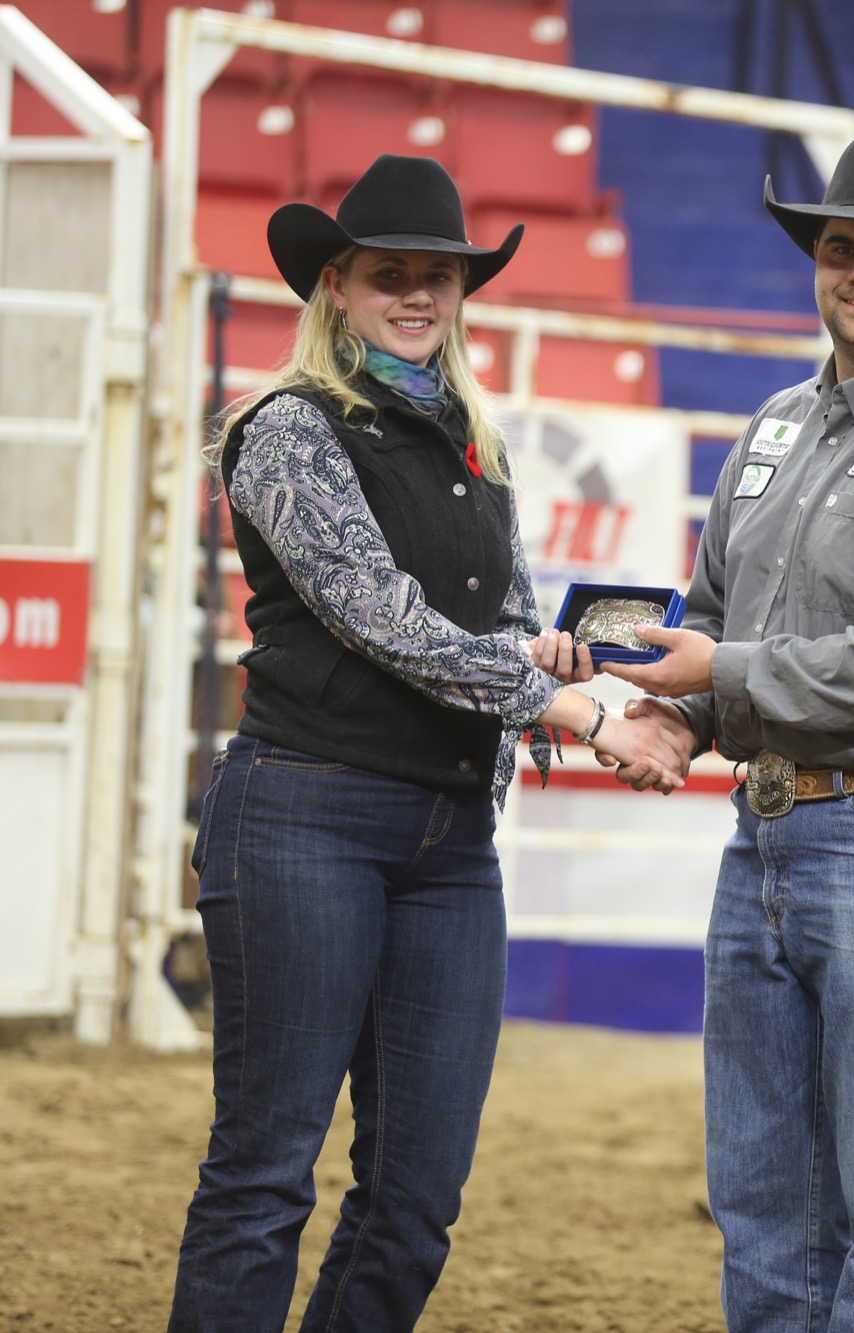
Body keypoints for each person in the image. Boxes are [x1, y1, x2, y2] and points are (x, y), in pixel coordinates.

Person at [532, 129, 854, 1333]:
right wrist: (675, 716)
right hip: (781, 829)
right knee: (763, 1203)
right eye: (840, 248)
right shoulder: (776, 424)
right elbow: (716, 610)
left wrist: (718, 675)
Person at [168, 154, 687, 1332]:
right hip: (304, 813)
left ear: (460, 292)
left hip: (449, 835)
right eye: (389, 274)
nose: (415, 295)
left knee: (415, 1199)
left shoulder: (473, 446)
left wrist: (549, 665)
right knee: (265, 1171)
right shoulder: (287, 428)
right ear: (337, 286)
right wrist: (572, 710)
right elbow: (380, 616)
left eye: (436, 277)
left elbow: (495, 624)